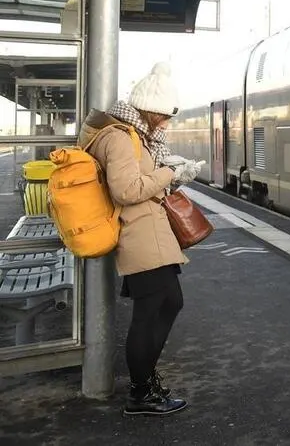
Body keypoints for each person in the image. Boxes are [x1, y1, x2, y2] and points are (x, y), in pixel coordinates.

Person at [77, 62, 204, 416]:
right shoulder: (119, 137)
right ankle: (141, 393)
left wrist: (170, 173)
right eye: (164, 115)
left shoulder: (134, 135)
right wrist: (168, 172)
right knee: (150, 313)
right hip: (139, 237)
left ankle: (146, 382)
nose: (167, 122)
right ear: (149, 109)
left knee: (169, 303)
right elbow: (127, 189)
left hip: (151, 235)